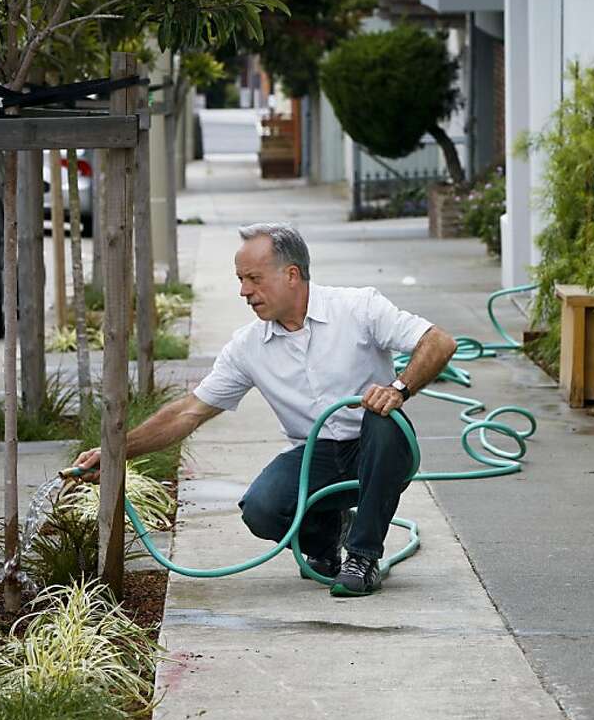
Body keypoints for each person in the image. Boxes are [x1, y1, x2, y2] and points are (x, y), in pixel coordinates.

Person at [72, 223, 457, 597]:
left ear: (291, 274)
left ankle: (362, 557)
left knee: (382, 421)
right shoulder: (249, 346)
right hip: (315, 455)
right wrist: (116, 452)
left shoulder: (358, 308)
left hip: (378, 446)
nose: (244, 291)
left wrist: (398, 389)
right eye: (240, 280)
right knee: (261, 510)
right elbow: (188, 412)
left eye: (253, 279)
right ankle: (329, 534)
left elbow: (438, 342)